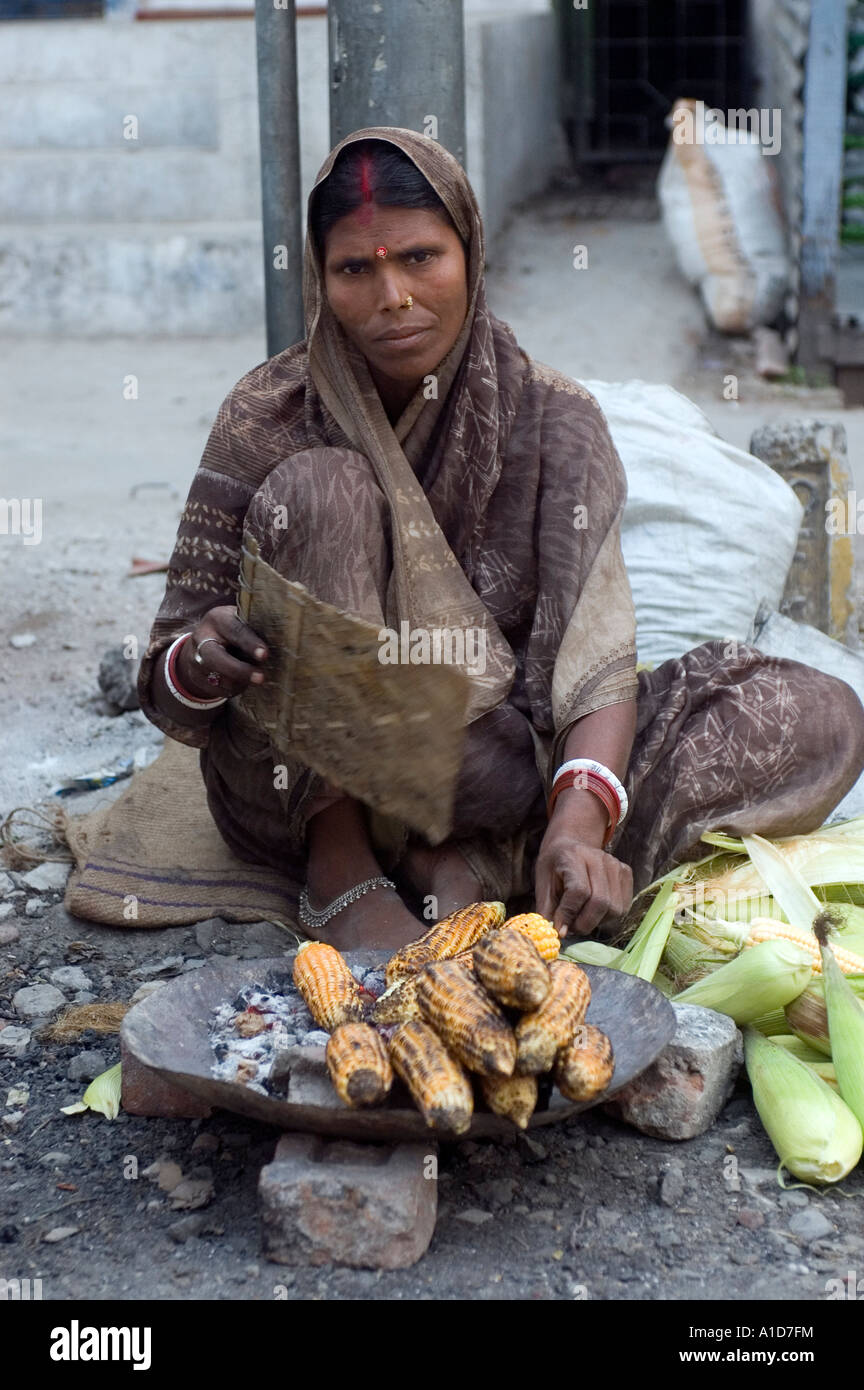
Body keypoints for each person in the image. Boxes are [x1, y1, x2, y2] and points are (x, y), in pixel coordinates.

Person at [138, 126, 864, 952]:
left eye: (419, 258)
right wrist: (200, 661)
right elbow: (166, 677)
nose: (394, 297)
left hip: (493, 767)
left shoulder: (556, 420)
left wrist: (577, 824)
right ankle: (344, 873)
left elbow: (596, 662)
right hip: (302, 777)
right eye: (355, 269)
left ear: (469, 252)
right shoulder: (268, 416)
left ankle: (490, 861)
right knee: (324, 488)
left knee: (821, 716)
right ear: (321, 278)